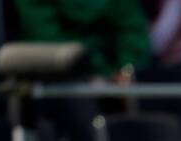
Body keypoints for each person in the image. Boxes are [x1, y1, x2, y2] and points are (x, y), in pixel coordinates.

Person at [14, 0, 151, 83]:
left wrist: (126, 72)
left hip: (114, 84)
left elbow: (132, 31)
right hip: (56, 83)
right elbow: (46, 37)